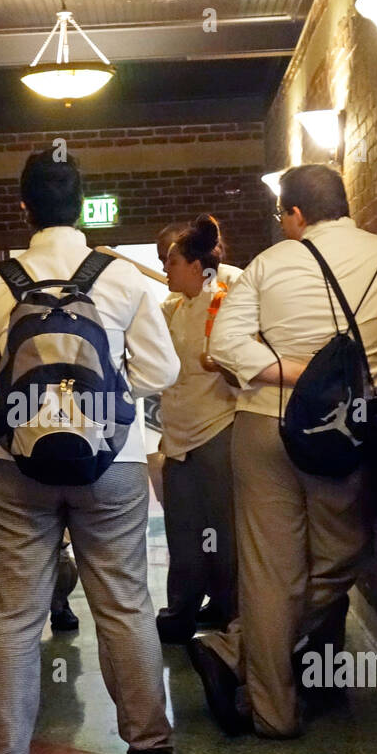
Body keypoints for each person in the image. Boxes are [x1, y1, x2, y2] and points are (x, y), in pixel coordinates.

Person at [0, 150, 180, 754]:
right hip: (114, 462)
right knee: (125, 604)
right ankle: (151, 749)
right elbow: (163, 373)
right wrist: (108, 397)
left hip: (14, 467)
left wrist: (23, 406)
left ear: (25, 209)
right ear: (81, 207)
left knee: (14, 615)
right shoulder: (124, 278)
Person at [186, 163, 377, 739]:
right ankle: (238, 661)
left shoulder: (270, 263)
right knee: (345, 554)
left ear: (294, 213)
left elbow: (226, 344)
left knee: (271, 573)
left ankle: (264, 699)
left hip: (265, 427)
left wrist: (294, 372)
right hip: (349, 433)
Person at [155, 215, 241, 644]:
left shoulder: (230, 294)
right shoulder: (172, 308)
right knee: (183, 530)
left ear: (194, 266)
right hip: (177, 436)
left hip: (218, 428)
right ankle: (180, 611)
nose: (165, 270)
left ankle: (230, 612)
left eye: (171, 262)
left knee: (224, 530)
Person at [0, 436, 80, 636]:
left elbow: (65, 538)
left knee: (61, 562)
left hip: (40, 558)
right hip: (3, 563)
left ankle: (59, 606)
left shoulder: (45, 484)